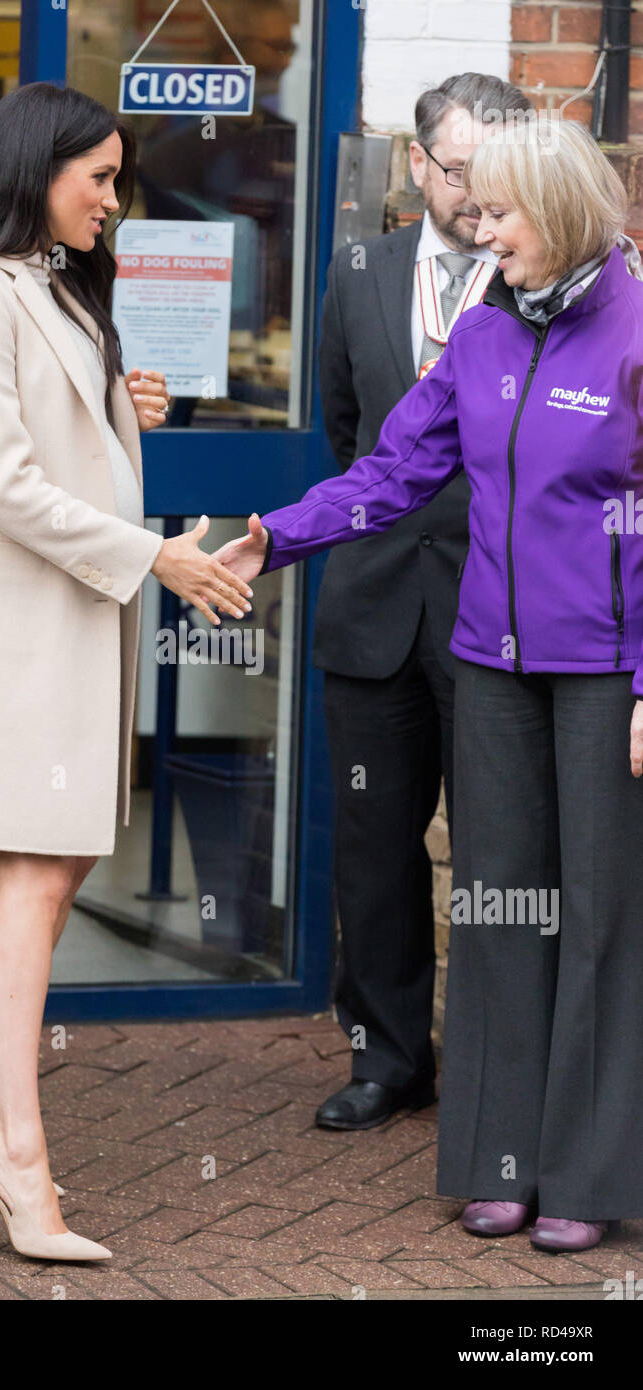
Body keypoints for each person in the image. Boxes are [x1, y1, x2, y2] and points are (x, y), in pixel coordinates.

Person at [215, 117, 643, 1253]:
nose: (480, 227)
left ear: (554, 212)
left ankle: (588, 1172)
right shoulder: (484, 329)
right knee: (497, 907)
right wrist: (275, 537)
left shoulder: (633, 329)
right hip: (491, 666)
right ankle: (501, 1162)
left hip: (604, 671)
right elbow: (396, 466)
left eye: (499, 212)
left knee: (599, 917)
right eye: (476, 206)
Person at [0, 82, 252, 1263]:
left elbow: (60, 449)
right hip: (14, 636)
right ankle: (18, 1157)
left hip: (69, 626)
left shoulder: (51, 283)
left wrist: (119, 408)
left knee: (68, 848)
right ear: (32, 164)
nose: (111, 197)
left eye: (115, 175)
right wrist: (160, 559)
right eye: (95, 174)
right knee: (37, 877)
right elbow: (1, 484)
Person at [310, 74, 529, 1133]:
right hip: (371, 609)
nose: (471, 197)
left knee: (498, 854)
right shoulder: (356, 273)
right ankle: (388, 1056)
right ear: (414, 163)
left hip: (496, 613)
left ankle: (499, 1071)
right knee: (372, 844)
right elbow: (344, 432)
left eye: (491, 176)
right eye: (454, 173)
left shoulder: (540, 277)